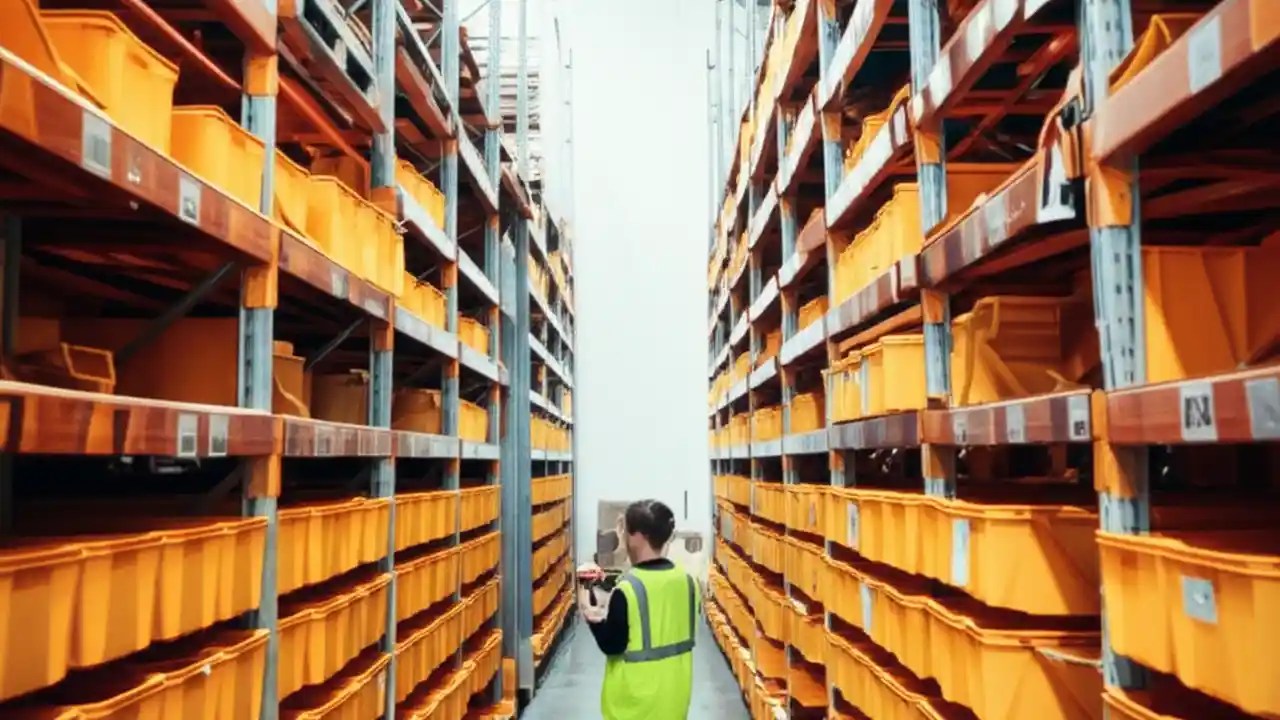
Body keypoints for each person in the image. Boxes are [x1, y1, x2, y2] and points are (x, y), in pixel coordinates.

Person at [578, 499, 700, 720]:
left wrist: (590, 613)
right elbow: (661, 621)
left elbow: (612, 645)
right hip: (674, 704)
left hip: (635, 708)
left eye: (625, 530)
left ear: (637, 537)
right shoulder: (687, 582)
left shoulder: (628, 589)